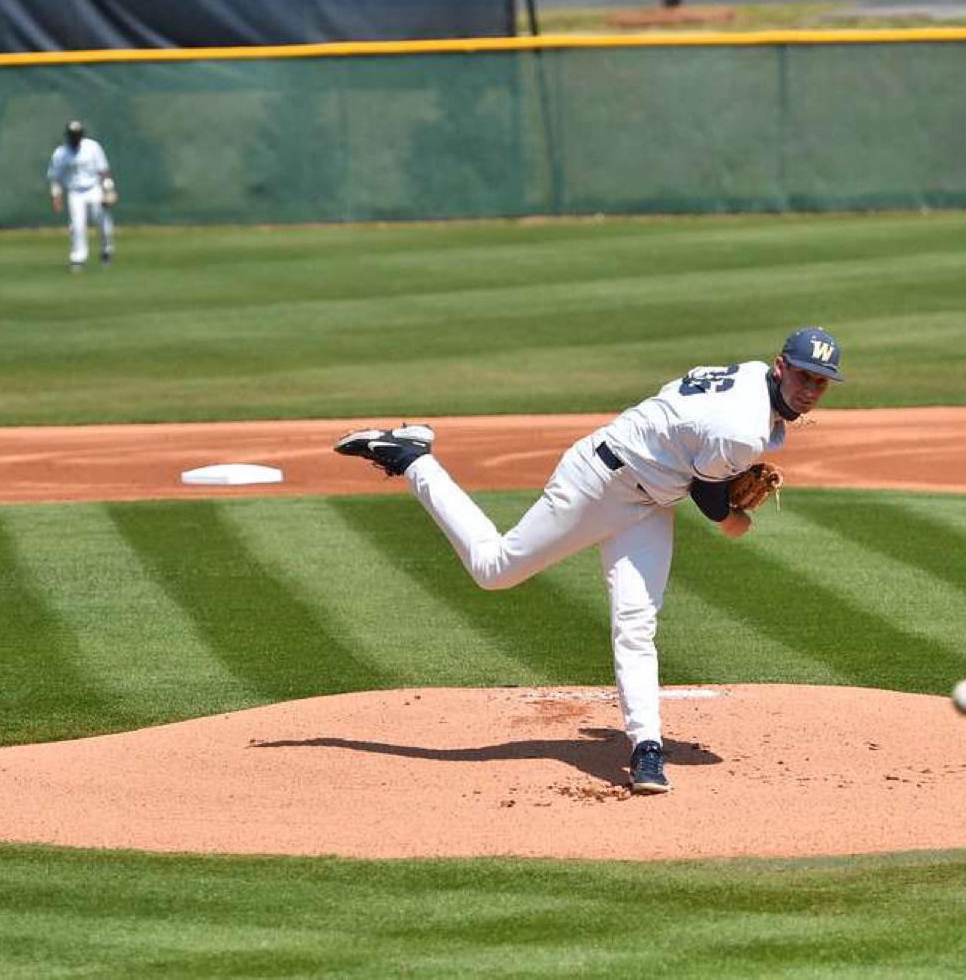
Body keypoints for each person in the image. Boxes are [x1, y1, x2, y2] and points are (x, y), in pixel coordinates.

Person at [334, 326, 845, 794]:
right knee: (494, 570)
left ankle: (646, 748)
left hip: (650, 497)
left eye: (820, 382)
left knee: (636, 622)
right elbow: (710, 499)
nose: (809, 390)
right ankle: (414, 458)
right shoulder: (742, 430)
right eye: (803, 375)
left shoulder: (751, 377)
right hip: (597, 482)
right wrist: (736, 521)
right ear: (781, 366)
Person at [46, 120, 116, 270]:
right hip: (75, 192)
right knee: (77, 225)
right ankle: (78, 258)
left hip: (94, 188)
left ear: (82, 134)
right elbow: (55, 178)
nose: (75, 137)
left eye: (77, 134)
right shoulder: (60, 153)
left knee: (102, 221)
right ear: (68, 135)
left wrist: (109, 190)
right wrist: (56, 197)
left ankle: (106, 251)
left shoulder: (92, 147)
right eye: (73, 134)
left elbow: (103, 170)